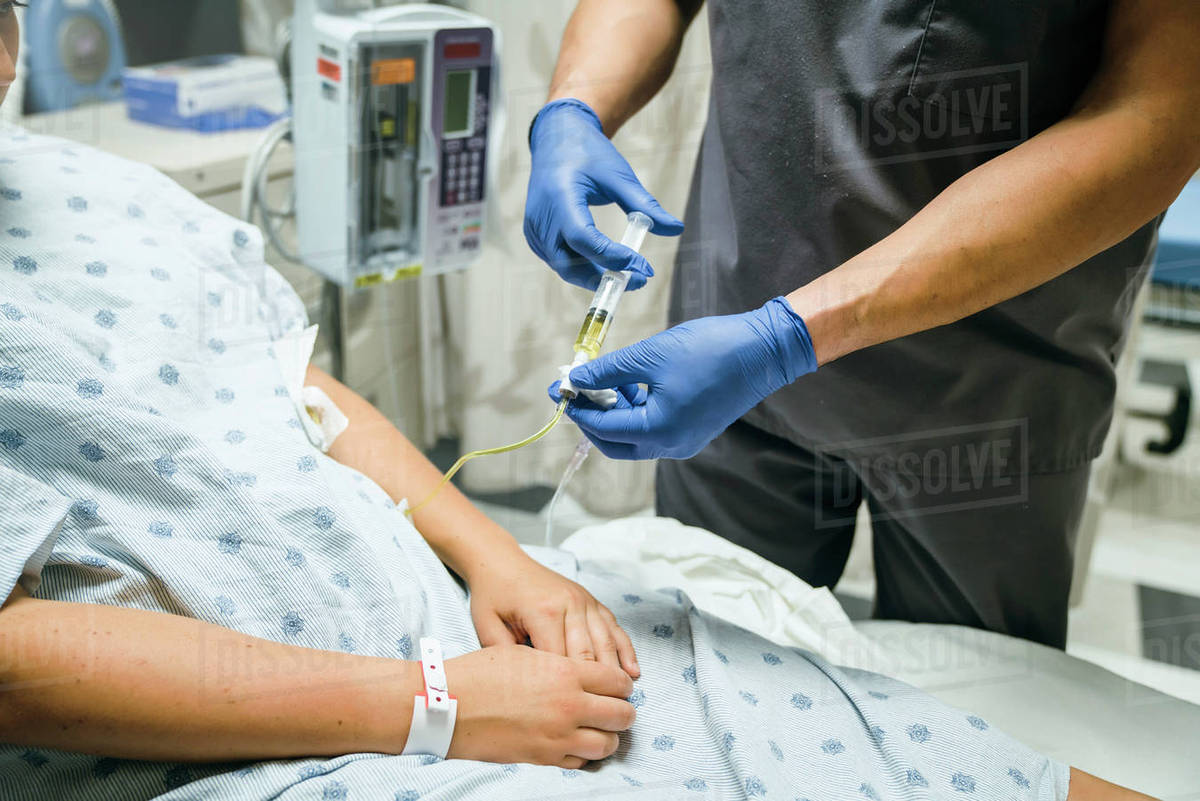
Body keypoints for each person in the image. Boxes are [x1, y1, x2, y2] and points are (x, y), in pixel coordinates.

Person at [0, 4, 1159, 799]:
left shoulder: (104, 194)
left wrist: (499, 560)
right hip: (371, 717)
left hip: (983, 351)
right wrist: (574, 108)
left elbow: (290, 378)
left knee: (919, 740)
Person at [530, 0, 1200, 648]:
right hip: (730, 340)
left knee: (966, 694)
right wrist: (573, 109)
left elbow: (1159, 115)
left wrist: (787, 336)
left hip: (986, 377)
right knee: (706, 651)